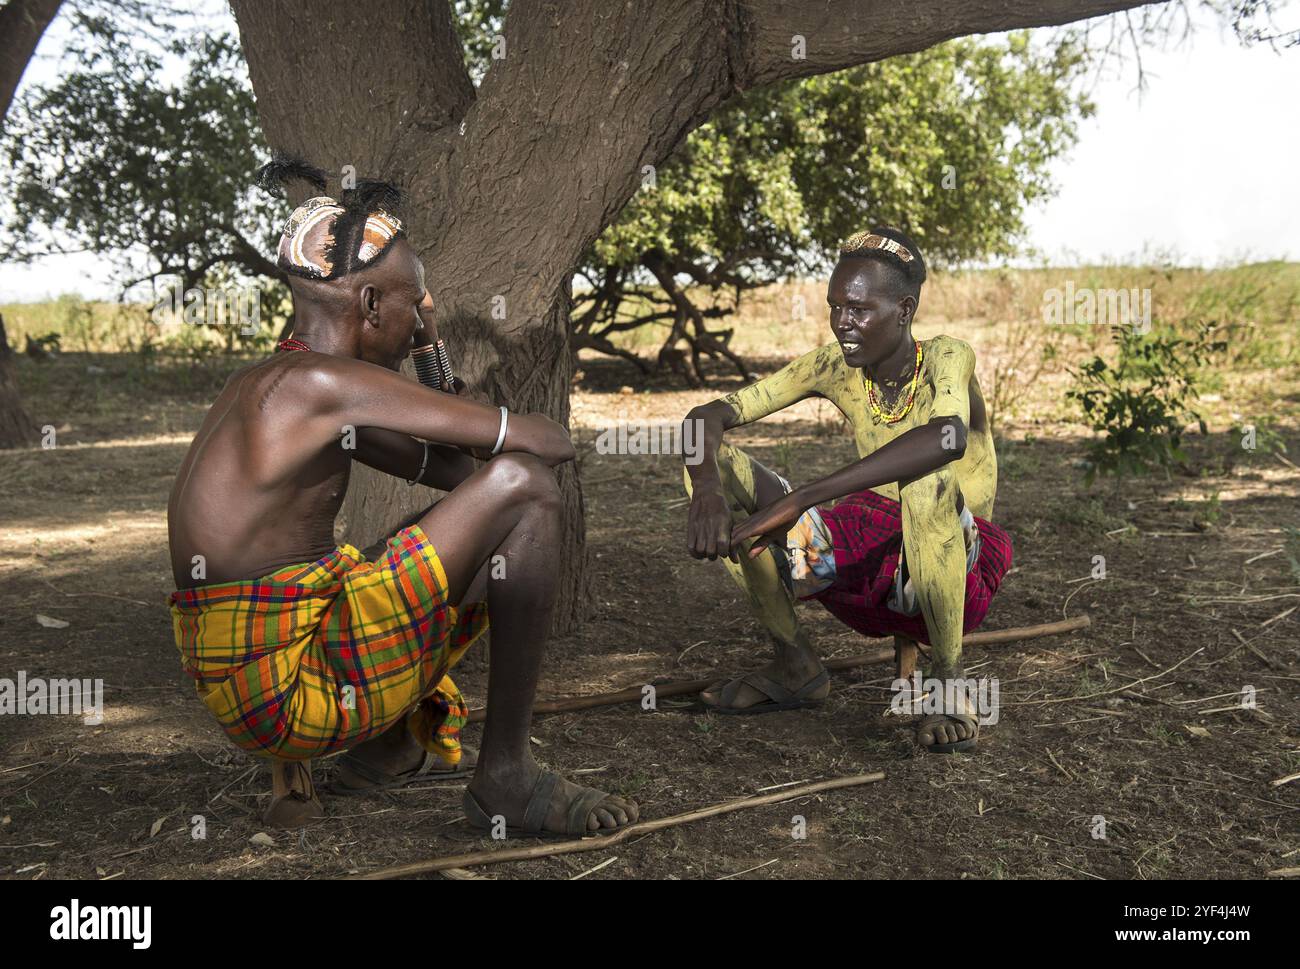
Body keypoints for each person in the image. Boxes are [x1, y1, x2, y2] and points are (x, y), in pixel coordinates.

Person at [167, 160, 637, 833]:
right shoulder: (321, 386)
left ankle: (384, 748)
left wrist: (429, 346)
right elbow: (540, 445)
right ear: (368, 306)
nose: (418, 319)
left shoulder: (280, 387)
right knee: (528, 490)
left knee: (464, 520)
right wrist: (437, 351)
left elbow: (457, 472)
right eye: (412, 305)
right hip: (285, 695)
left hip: (260, 684)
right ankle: (505, 777)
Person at [681, 226, 1013, 752]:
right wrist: (706, 492)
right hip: (863, 563)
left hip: (956, 570)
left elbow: (947, 437)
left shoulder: (948, 357)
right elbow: (709, 416)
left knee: (926, 482)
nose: (842, 324)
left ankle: (949, 684)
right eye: (835, 307)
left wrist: (801, 497)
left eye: (859, 310)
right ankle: (797, 667)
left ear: (904, 310)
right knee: (712, 462)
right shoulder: (834, 363)